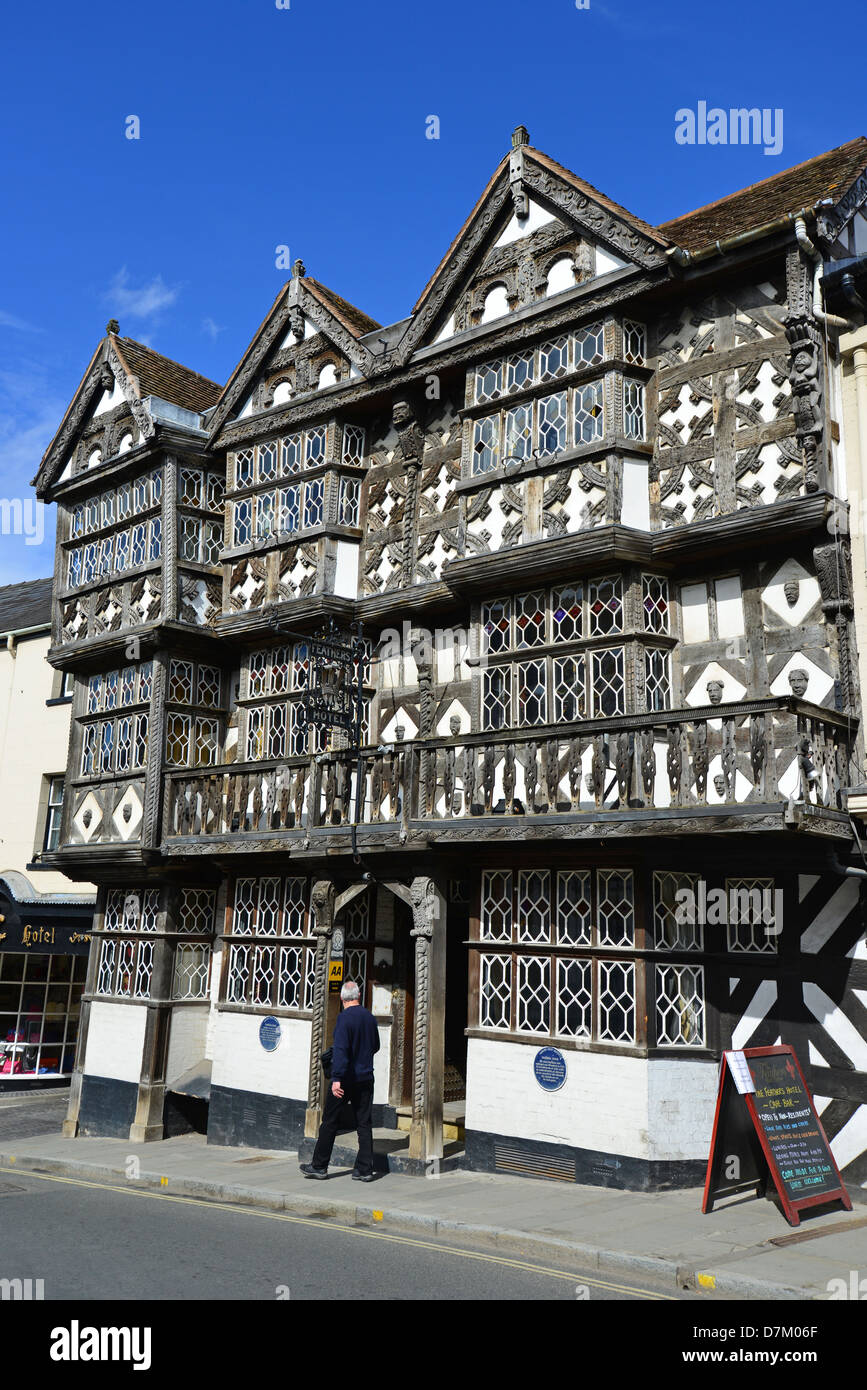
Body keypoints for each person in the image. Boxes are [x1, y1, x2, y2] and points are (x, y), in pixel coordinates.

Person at [301, 980, 380, 1181]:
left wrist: (336, 1079)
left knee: (329, 1121)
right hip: (366, 1078)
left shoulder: (344, 1019)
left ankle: (319, 1166)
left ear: (343, 999)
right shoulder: (370, 1017)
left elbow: (342, 1050)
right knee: (364, 1123)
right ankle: (364, 1169)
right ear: (358, 996)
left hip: (344, 1080)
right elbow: (376, 1046)